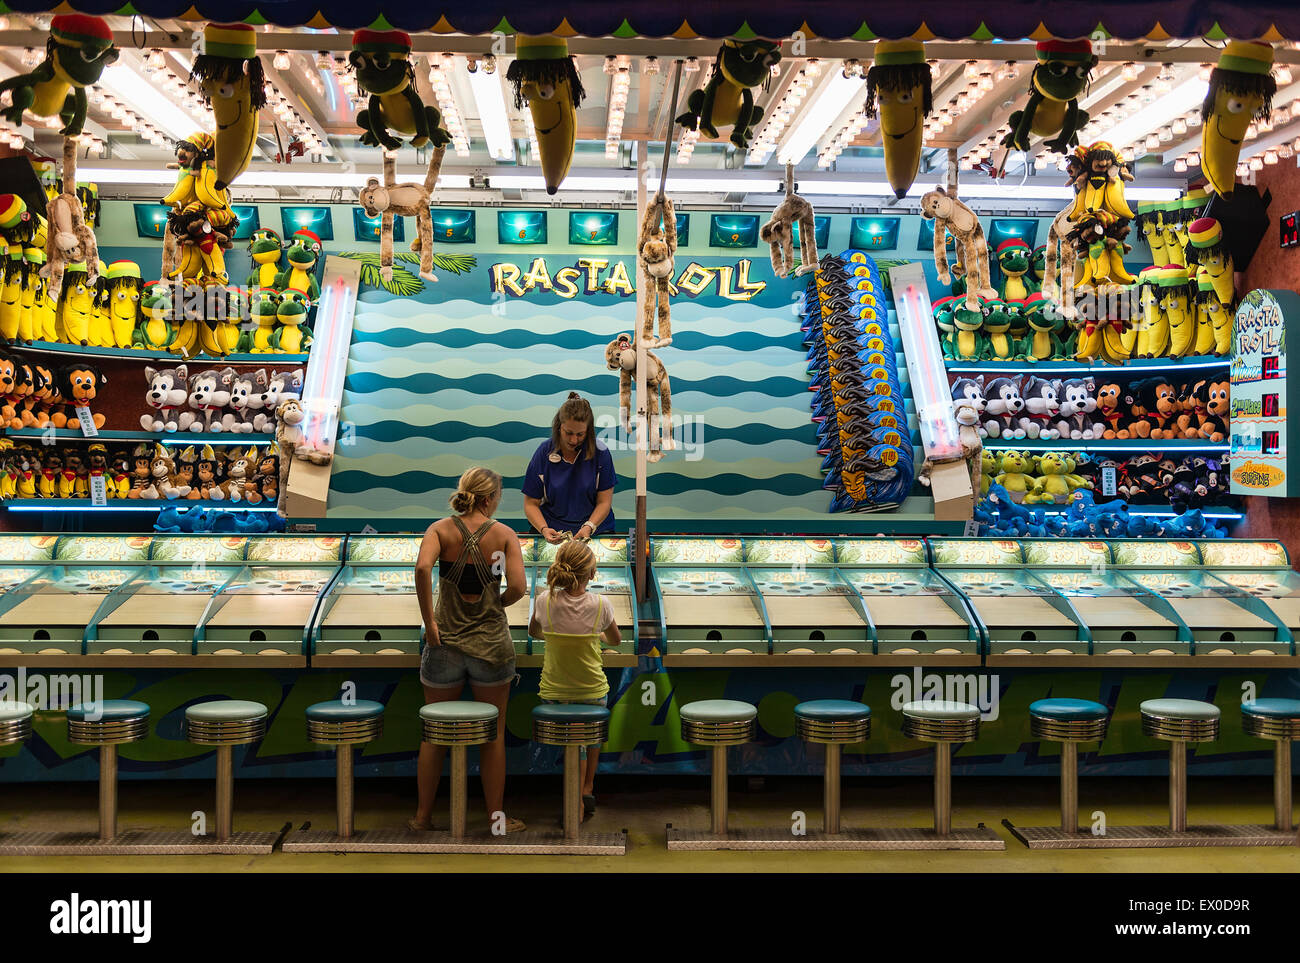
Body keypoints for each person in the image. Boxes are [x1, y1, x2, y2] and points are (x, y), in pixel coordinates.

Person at [412, 466, 528, 833]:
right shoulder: (504, 534)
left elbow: (421, 568)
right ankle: (496, 820)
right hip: (492, 646)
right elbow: (519, 588)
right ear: (491, 498)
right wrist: (495, 604)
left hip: (443, 642)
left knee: (433, 735)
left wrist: (430, 622)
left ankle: (423, 817)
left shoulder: (440, 530)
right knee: (492, 736)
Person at [528, 539, 621, 819]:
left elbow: (535, 632)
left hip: (554, 692)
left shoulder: (544, 600)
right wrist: (595, 637)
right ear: (591, 574)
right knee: (587, 736)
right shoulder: (601, 604)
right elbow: (615, 640)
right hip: (592, 690)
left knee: (578, 737)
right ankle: (581, 796)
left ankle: (581, 790)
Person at [523, 392, 617, 543]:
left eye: (580, 434)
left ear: (589, 431)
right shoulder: (543, 452)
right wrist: (543, 528)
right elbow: (530, 503)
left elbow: (604, 502)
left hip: (594, 531)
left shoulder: (601, 453)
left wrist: (589, 526)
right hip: (552, 532)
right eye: (569, 433)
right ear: (559, 427)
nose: (574, 440)